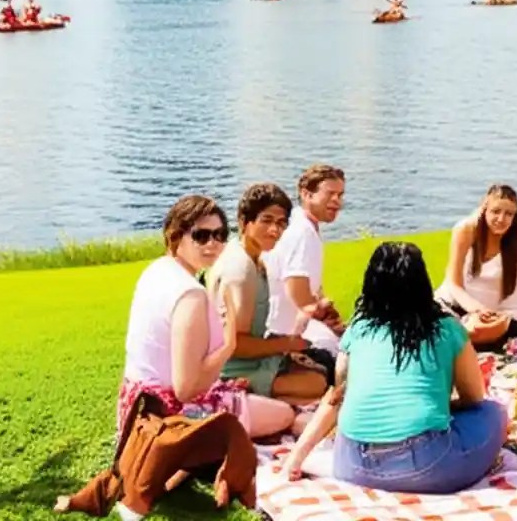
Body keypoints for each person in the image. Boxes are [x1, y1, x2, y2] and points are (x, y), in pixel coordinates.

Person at [278, 242, 507, 493]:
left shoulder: (358, 330)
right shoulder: (447, 329)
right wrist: (440, 405)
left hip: (352, 463)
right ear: (423, 284)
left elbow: (336, 398)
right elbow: (474, 398)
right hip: (425, 466)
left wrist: (296, 457)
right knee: (494, 413)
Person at [117, 194, 295, 440]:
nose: (212, 244)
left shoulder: (156, 270)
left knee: (260, 400)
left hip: (136, 404)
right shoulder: (191, 296)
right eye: (201, 236)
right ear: (175, 235)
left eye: (220, 235)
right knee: (285, 414)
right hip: (171, 414)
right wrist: (228, 345)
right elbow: (186, 390)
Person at [206, 184, 330, 403]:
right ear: (245, 222)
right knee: (317, 383)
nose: (275, 230)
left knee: (320, 367)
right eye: (267, 220)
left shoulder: (252, 258)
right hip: (232, 371)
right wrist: (286, 344)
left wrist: (285, 345)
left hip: (254, 360)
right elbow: (236, 344)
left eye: (281, 223)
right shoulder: (240, 270)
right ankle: (249, 403)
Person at [435, 184, 517, 351]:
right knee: (445, 330)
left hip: (491, 316)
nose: (501, 219)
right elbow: (453, 283)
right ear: (484, 210)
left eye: (508, 214)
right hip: (453, 307)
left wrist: (498, 321)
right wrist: (476, 309)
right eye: (496, 211)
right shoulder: (465, 231)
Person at [262, 165, 347, 354]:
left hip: (288, 322)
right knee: (339, 351)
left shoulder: (303, 226)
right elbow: (296, 288)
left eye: (340, 195)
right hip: (282, 329)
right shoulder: (302, 233)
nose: (337, 201)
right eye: (330, 194)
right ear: (306, 194)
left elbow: (310, 286)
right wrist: (322, 315)